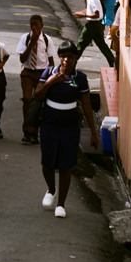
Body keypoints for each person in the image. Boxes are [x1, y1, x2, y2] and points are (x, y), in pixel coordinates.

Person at [35, 40, 99, 218]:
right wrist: (50, 82)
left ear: (75, 58)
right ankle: (51, 189)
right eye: (63, 56)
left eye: (69, 57)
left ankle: (61, 205)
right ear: (59, 57)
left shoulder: (80, 78)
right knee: (47, 163)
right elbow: (37, 96)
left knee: (66, 165)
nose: (66, 60)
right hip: (49, 124)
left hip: (69, 126)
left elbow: (86, 105)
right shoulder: (49, 72)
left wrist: (94, 133)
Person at [16, 14, 55, 145]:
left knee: (38, 102)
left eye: (36, 25)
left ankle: (34, 132)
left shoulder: (47, 39)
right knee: (27, 99)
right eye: (32, 25)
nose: (34, 28)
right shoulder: (25, 38)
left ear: (41, 26)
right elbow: (22, 59)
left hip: (42, 73)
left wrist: (51, 76)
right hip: (28, 72)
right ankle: (27, 131)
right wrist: (32, 43)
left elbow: (51, 60)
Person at [74, 0, 117, 68]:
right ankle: (112, 62)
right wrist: (81, 13)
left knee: (81, 44)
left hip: (92, 24)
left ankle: (72, 63)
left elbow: (96, 14)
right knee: (102, 44)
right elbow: (89, 9)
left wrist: (83, 15)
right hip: (96, 24)